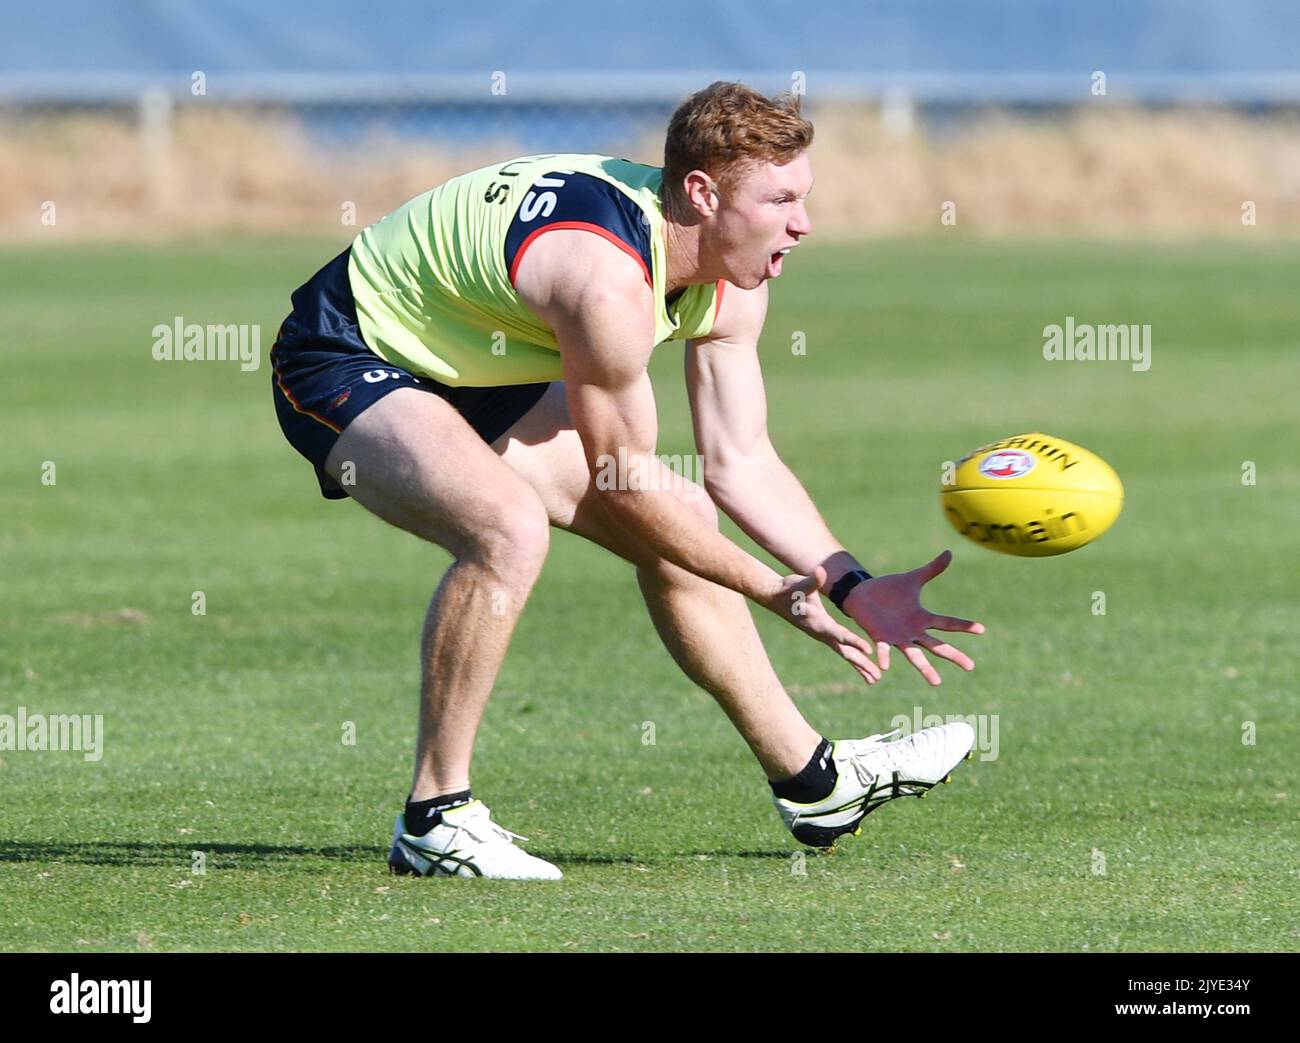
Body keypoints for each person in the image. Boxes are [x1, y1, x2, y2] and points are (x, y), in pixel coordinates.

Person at [269, 81, 984, 880]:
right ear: (703, 194)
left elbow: (740, 459)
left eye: (804, 196)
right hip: (350, 352)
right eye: (780, 199)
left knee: (681, 515)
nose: (803, 223)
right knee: (507, 527)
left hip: (482, 358)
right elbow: (618, 482)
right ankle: (435, 817)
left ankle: (815, 784)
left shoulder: (733, 276)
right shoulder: (607, 281)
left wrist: (847, 582)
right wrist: (769, 587)